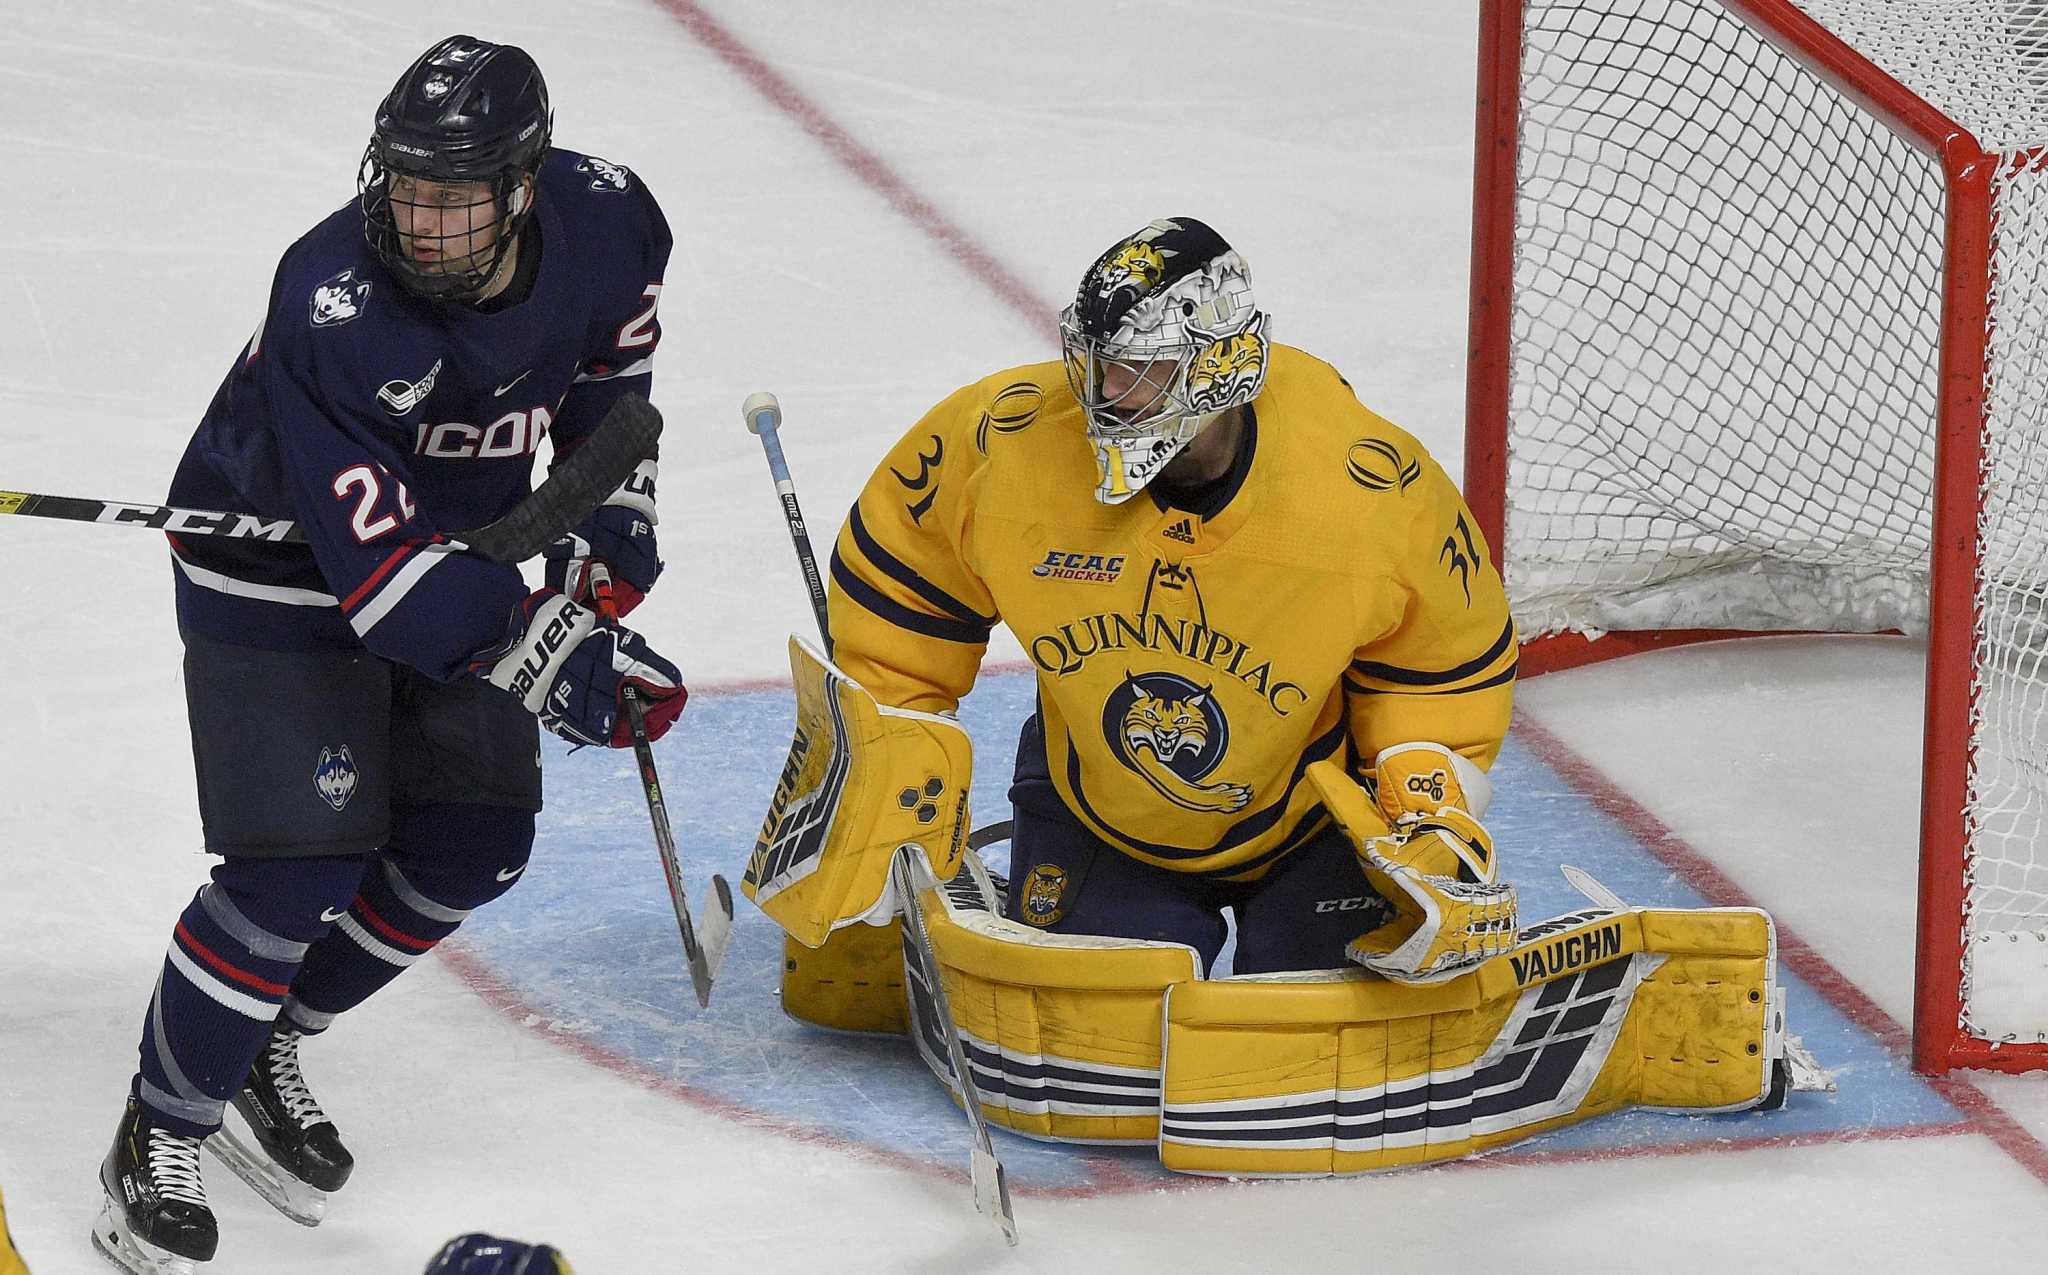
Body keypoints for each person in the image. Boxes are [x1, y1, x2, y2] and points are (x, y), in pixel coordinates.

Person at [92, 35, 685, 1275]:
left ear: (524, 184)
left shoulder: (610, 218)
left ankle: (262, 1037)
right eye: (408, 187)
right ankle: (159, 1124)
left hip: (453, 554)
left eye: (456, 197)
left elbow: (610, 379)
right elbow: (390, 592)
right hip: (278, 566)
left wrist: (605, 522)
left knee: (476, 841)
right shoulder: (330, 300)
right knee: (297, 864)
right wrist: (552, 653)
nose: (423, 222)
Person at [823, 216, 1517, 979]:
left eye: (1138, 370)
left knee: (1316, 1021)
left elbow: (1445, 660)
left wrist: (1426, 804)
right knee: (1099, 1034)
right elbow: (901, 576)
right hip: (1097, 812)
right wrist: (891, 752)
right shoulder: (1005, 440)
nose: (1101, 393)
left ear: (1219, 369)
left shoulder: (1363, 487)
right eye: (1092, 362)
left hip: (1314, 822)